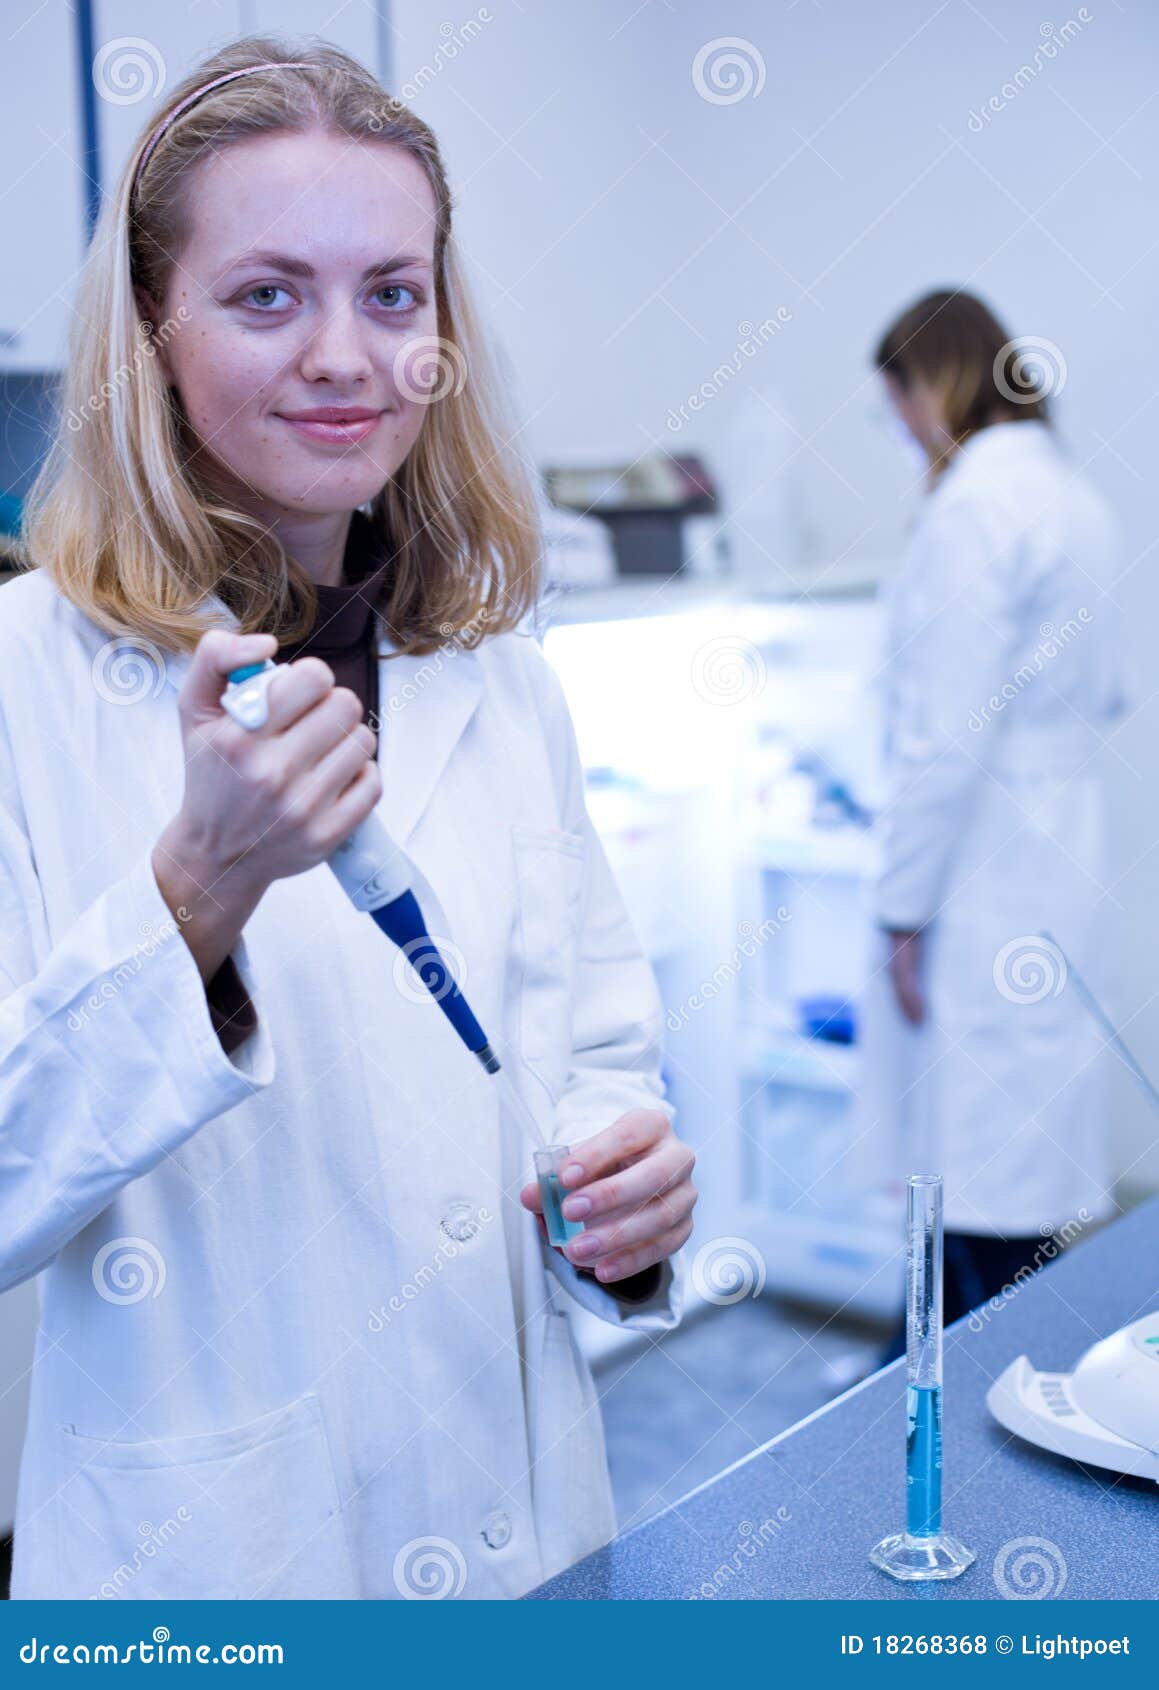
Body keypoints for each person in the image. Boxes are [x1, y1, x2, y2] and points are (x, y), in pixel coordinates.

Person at [0, 37, 696, 1600]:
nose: (344, 354)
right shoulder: (24, 683)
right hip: (224, 1564)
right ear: (149, 335)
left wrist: (623, 1196)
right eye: (265, 296)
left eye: (392, 293)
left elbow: (588, 1054)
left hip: (530, 1529)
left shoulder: (493, 676)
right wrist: (194, 894)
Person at [865, 290, 1124, 1359]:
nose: (902, 430)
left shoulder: (975, 505)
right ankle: (963, 1377)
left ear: (933, 384)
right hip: (1060, 845)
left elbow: (945, 737)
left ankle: (964, 1402)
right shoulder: (1070, 494)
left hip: (985, 866)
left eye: (899, 401)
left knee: (976, 1163)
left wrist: (900, 912)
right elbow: (1105, 694)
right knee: (1014, 1150)